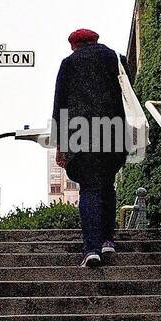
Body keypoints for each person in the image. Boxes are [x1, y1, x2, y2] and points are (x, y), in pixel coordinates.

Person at [51, 28, 127, 267]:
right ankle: (107, 241)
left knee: (90, 188)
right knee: (107, 185)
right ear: (96, 41)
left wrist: (60, 146)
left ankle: (91, 248)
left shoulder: (69, 64)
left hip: (80, 134)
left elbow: (59, 105)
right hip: (113, 131)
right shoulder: (116, 58)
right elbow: (128, 95)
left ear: (74, 45)